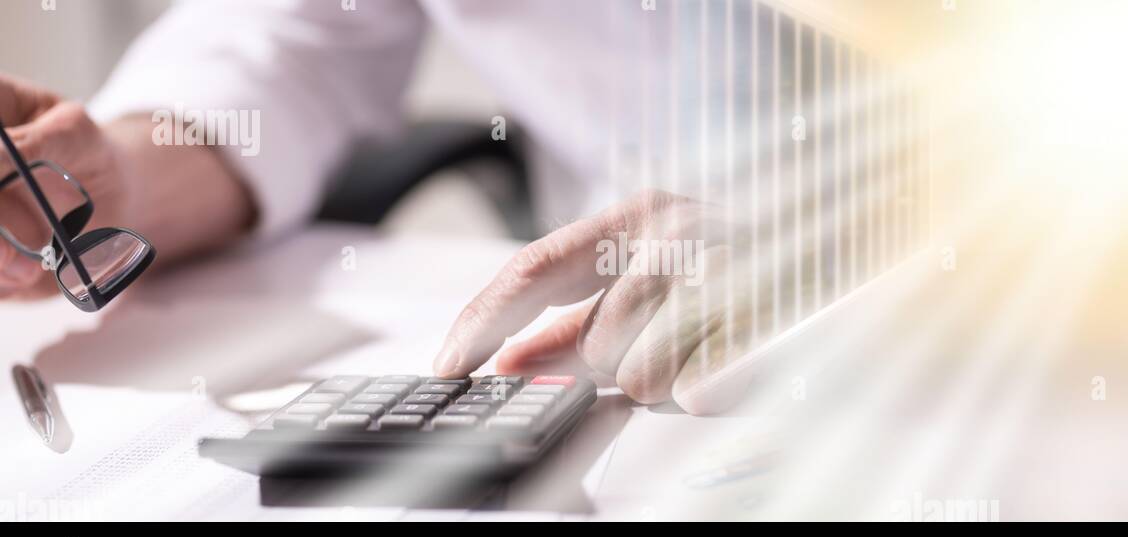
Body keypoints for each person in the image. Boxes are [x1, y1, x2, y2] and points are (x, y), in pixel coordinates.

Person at [0, 0, 752, 414]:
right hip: (627, 349)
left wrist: (832, 230)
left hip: (825, 322)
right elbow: (293, 40)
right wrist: (119, 177)